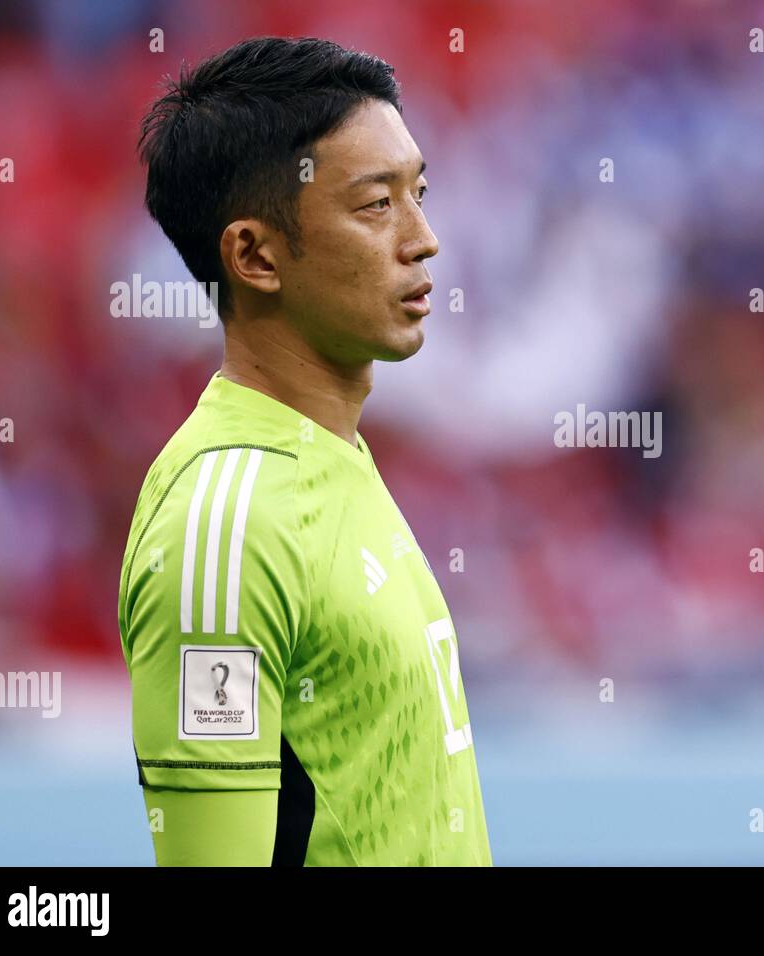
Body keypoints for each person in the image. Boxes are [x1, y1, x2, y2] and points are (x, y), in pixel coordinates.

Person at [118, 36, 492, 866]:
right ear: (254, 256)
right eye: (376, 206)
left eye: (419, 194)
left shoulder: (333, 460)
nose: (425, 239)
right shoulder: (229, 523)